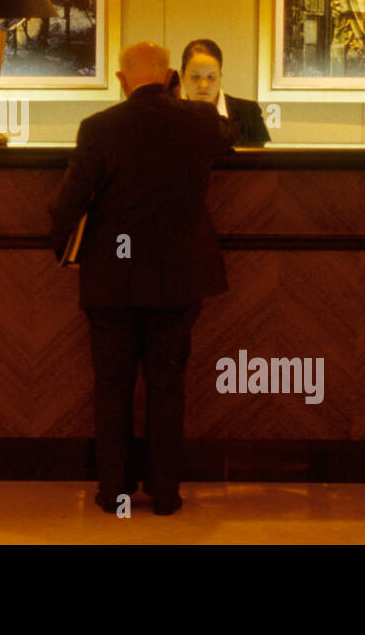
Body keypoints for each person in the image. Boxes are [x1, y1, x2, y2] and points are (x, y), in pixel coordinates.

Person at [49, 42, 238, 516]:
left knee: (113, 385)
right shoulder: (198, 121)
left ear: (121, 80)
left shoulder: (98, 128)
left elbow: (68, 202)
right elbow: (229, 136)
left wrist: (63, 248)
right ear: (172, 77)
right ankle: (166, 491)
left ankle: (114, 492)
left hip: (112, 278)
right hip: (179, 277)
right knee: (167, 385)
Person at [180, 38, 270, 143]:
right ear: (182, 76)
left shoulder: (249, 113)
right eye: (195, 77)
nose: (203, 85)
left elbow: (265, 158)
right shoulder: (170, 117)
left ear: (220, 77)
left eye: (211, 77)